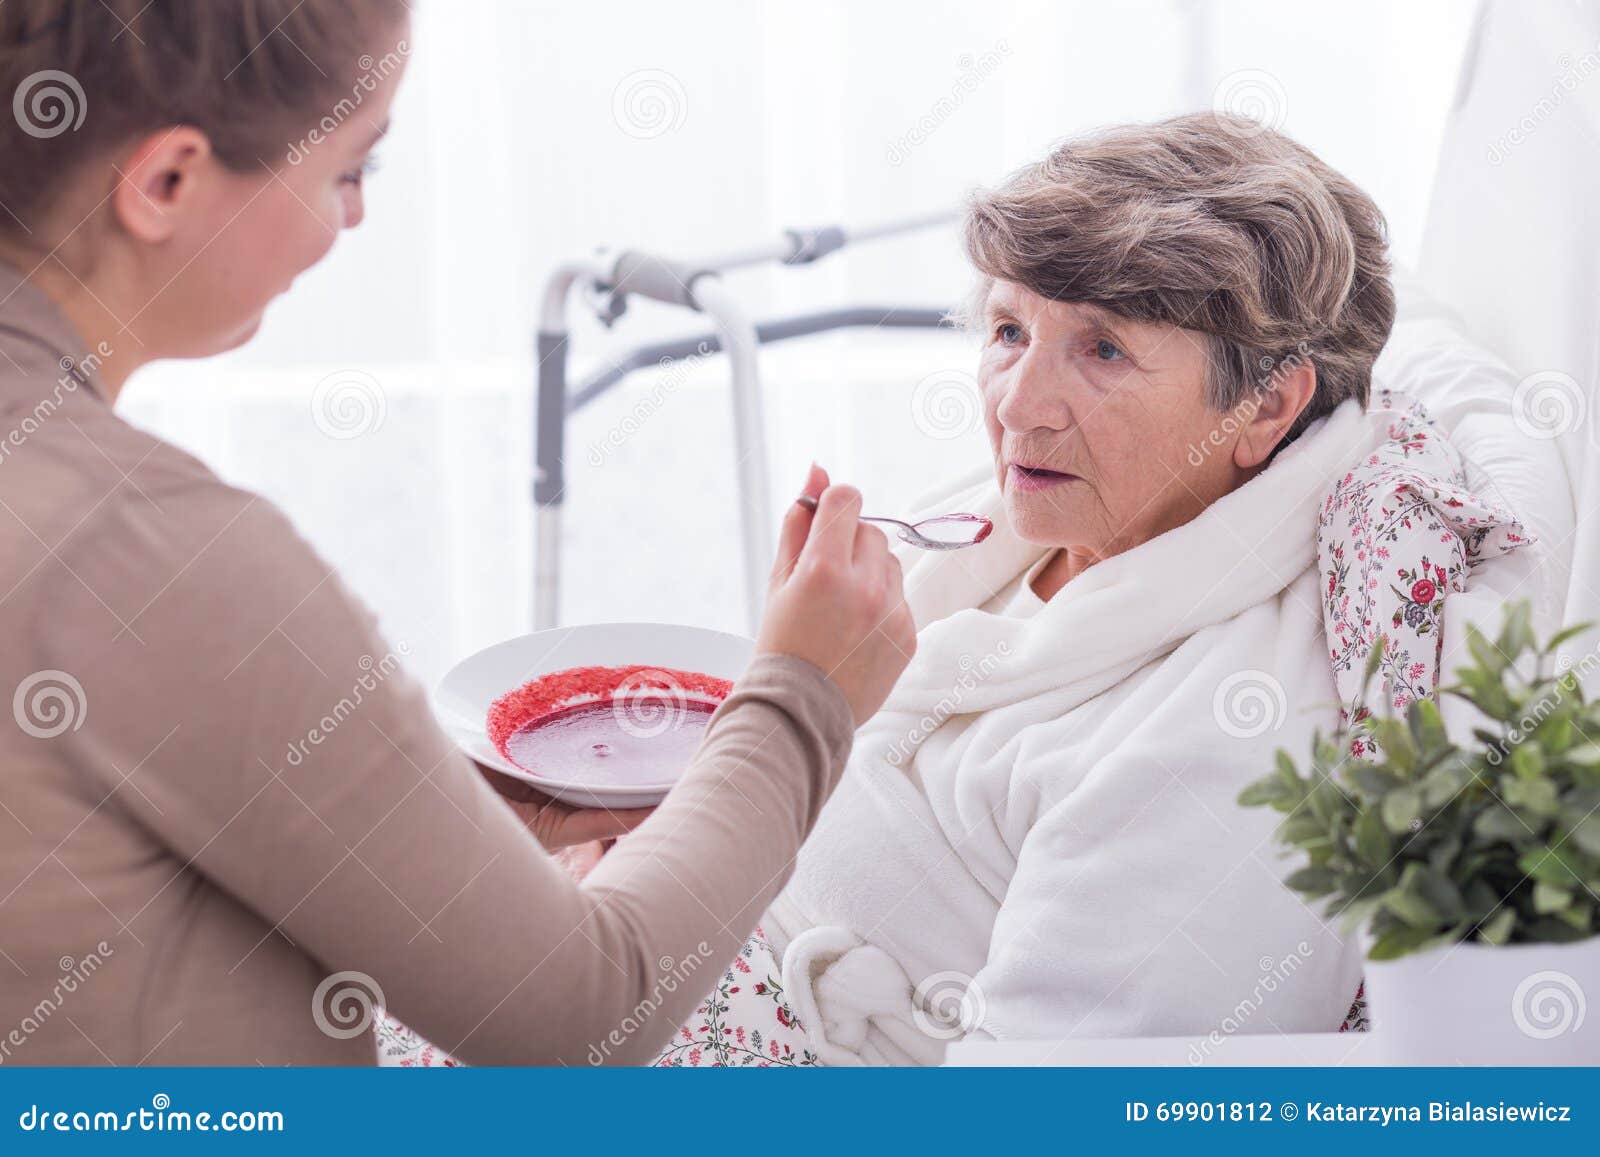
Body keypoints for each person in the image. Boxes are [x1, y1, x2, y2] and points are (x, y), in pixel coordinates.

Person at [0, 0, 913, 1066]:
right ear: (166, 182)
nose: (354, 224)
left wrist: (399, 832)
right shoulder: (147, 552)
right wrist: (804, 695)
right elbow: (576, 1010)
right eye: (354, 169)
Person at [668, 114, 1395, 1065]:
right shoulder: (1046, 516)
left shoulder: (1229, 742)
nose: (1014, 405)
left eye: (1102, 351)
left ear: (1266, 404)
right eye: (1009, 329)